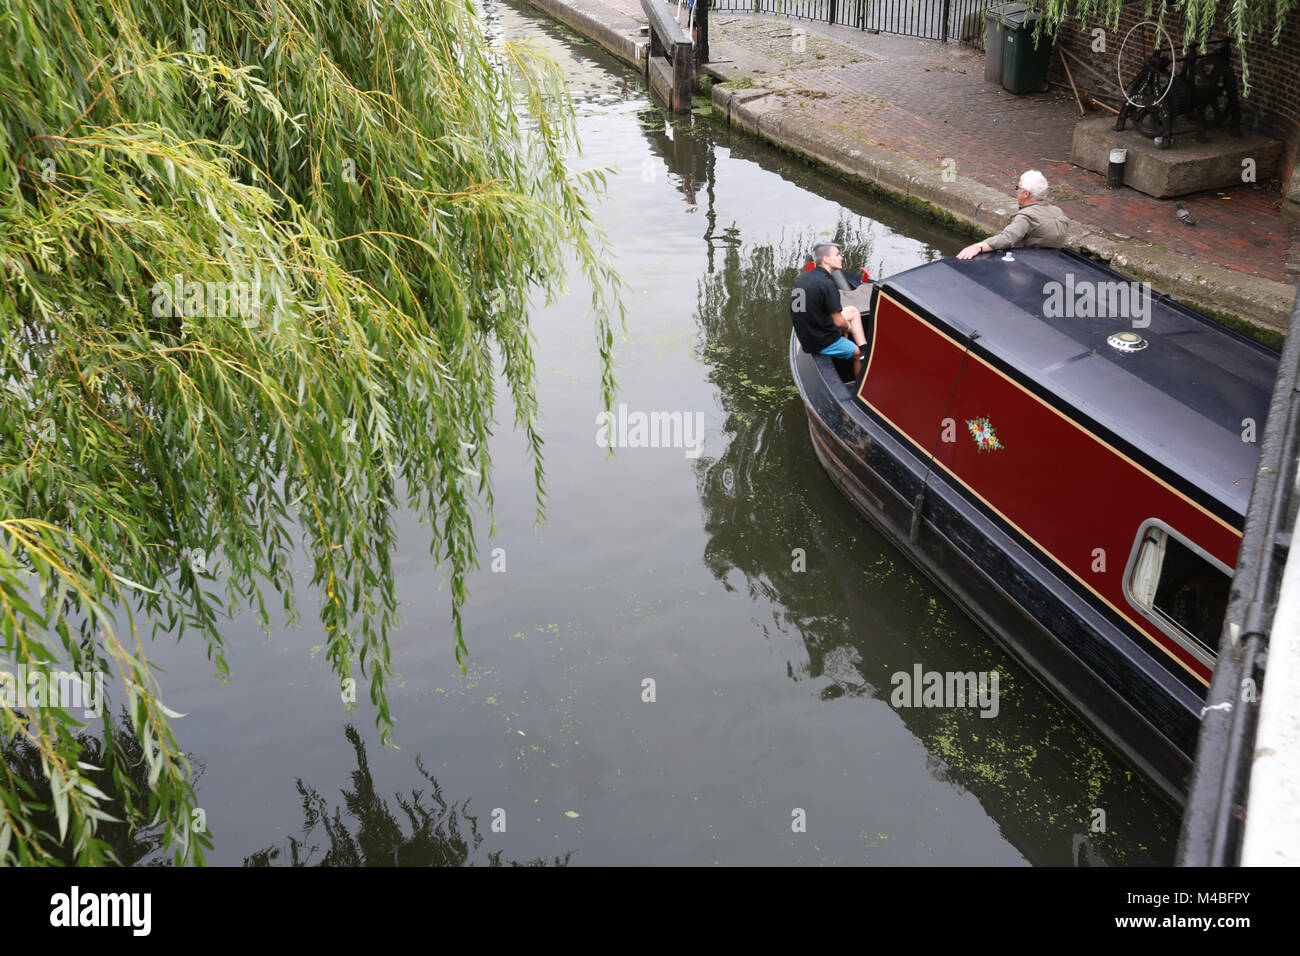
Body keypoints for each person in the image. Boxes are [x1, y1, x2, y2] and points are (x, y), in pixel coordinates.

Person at [791, 241, 868, 379]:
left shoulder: (802, 279)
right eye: (837, 254)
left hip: (805, 334)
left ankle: (864, 347)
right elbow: (838, 323)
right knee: (856, 353)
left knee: (852, 311)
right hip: (819, 341)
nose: (841, 258)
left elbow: (797, 310)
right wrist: (847, 327)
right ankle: (861, 359)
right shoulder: (827, 284)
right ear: (826, 259)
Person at [956, 170, 1068, 260]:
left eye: (1018, 188)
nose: (1016, 191)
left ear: (1026, 194)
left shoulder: (1026, 216)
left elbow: (1007, 238)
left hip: (1028, 264)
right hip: (1053, 261)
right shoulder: (1058, 212)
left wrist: (978, 247)